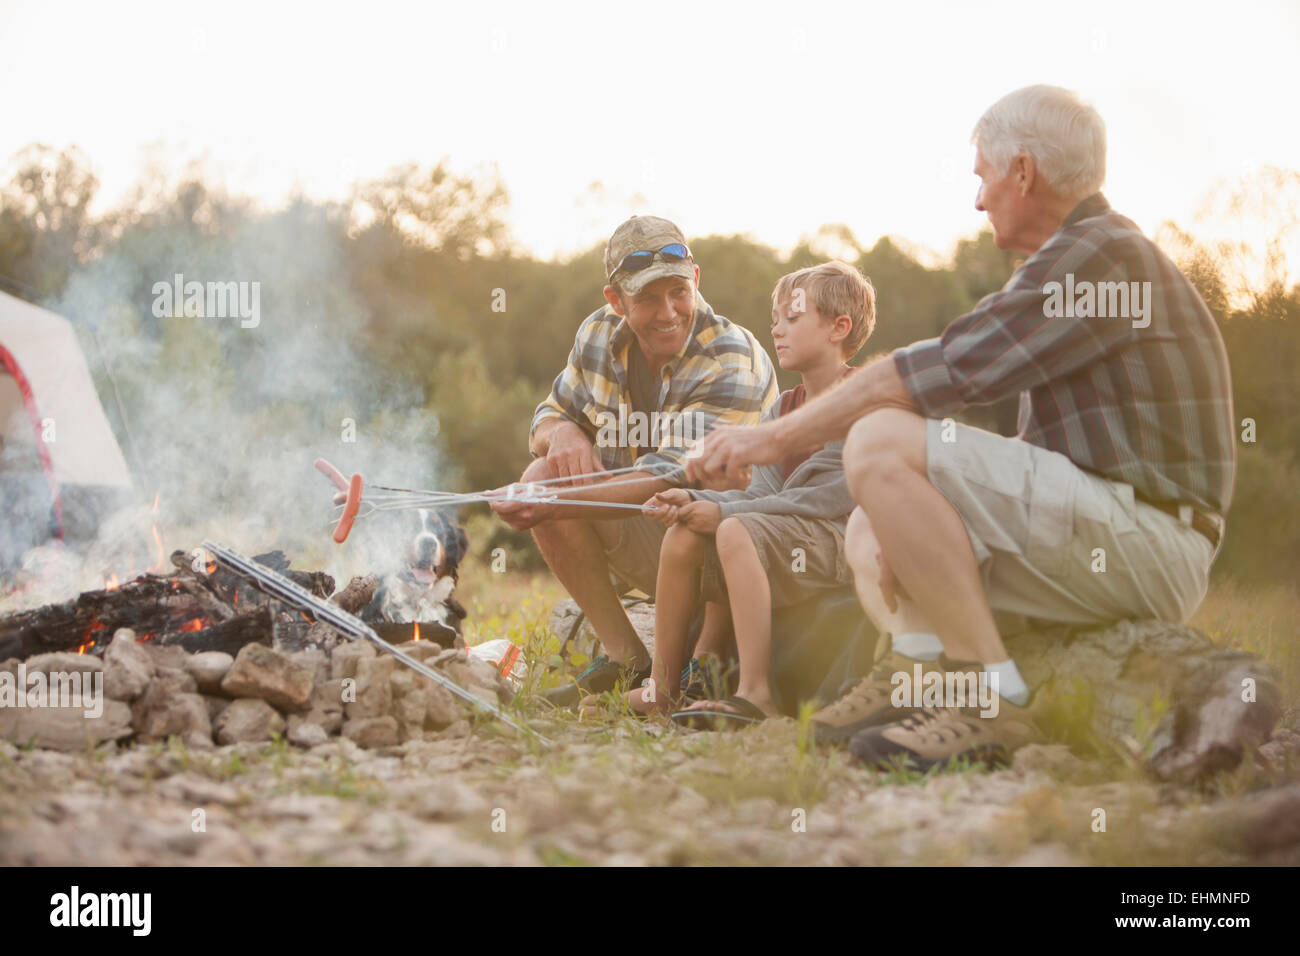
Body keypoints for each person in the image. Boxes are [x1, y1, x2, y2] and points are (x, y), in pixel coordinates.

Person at [683, 85, 1235, 770]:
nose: (978, 199)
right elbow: (1021, 462)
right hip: (1107, 529)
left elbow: (938, 372)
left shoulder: (1101, 258)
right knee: (866, 522)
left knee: (879, 439)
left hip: (1152, 542)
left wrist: (766, 440)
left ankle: (988, 698)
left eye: (983, 176)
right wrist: (905, 523)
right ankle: (914, 675)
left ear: (1023, 172)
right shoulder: (1079, 259)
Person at [490, 215, 778, 705]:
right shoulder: (597, 334)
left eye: (678, 293)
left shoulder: (731, 356)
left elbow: (670, 472)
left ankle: (704, 660)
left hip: (726, 552)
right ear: (616, 300)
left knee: (718, 476)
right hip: (651, 534)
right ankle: (625, 658)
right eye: (646, 298)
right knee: (543, 472)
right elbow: (547, 414)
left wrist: (555, 503)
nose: (667, 312)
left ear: (696, 281)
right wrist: (562, 434)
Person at [624, 261, 874, 724]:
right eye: (775, 319)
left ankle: (756, 693)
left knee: (736, 529)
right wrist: (700, 502)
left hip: (840, 540)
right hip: (783, 534)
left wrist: (720, 514)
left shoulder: (859, 400)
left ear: (840, 328)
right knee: (683, 535)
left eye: (793, 318)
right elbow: (763, 489)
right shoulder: (784, 408)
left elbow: (825, 500)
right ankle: (664, 686)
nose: (777, 330)